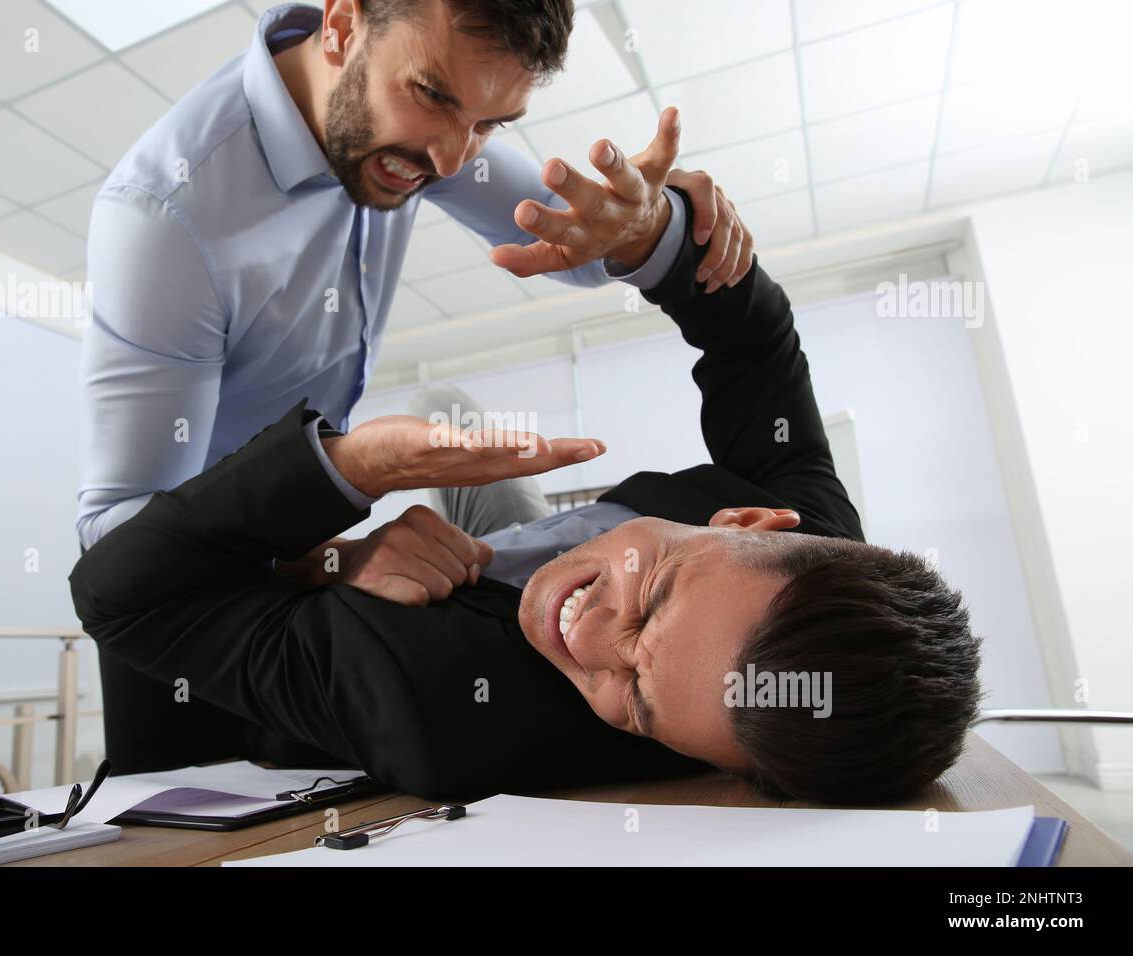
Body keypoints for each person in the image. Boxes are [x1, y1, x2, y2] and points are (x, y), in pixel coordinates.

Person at [68, 188, 984, 804]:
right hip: (497, 576)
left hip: (245, 672)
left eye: (635, 697)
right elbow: (756, 347)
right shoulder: (812, 521)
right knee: (449, 410)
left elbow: (122, 591)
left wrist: (341, 515)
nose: (586, 638)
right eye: (654, 593)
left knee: (177, 505)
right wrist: (660, 239)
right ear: (746, 519)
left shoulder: (427, 695)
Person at [79, 0, 757, 771]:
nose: (451, 157)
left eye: (489, 124)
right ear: (340, 24)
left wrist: (658, 222)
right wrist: (324, 555)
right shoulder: (164, 217)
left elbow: (567, 239)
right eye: (433, 96)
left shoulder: (424, 124)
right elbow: (117, 537)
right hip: (181, 609)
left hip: (304, 570)